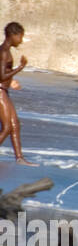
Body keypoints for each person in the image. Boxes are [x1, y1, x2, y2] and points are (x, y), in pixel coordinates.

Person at [0, 23, 34, 166]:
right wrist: (20, 68)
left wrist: (12, 79)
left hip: (4, 91)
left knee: (15, 124)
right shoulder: (4, 52)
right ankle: (19, 158)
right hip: (0, 91)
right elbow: (2, 76)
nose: (20, 40)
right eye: (20, 36)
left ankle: (19, 158)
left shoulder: (6, 50)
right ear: (13, 35)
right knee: (7, 127)